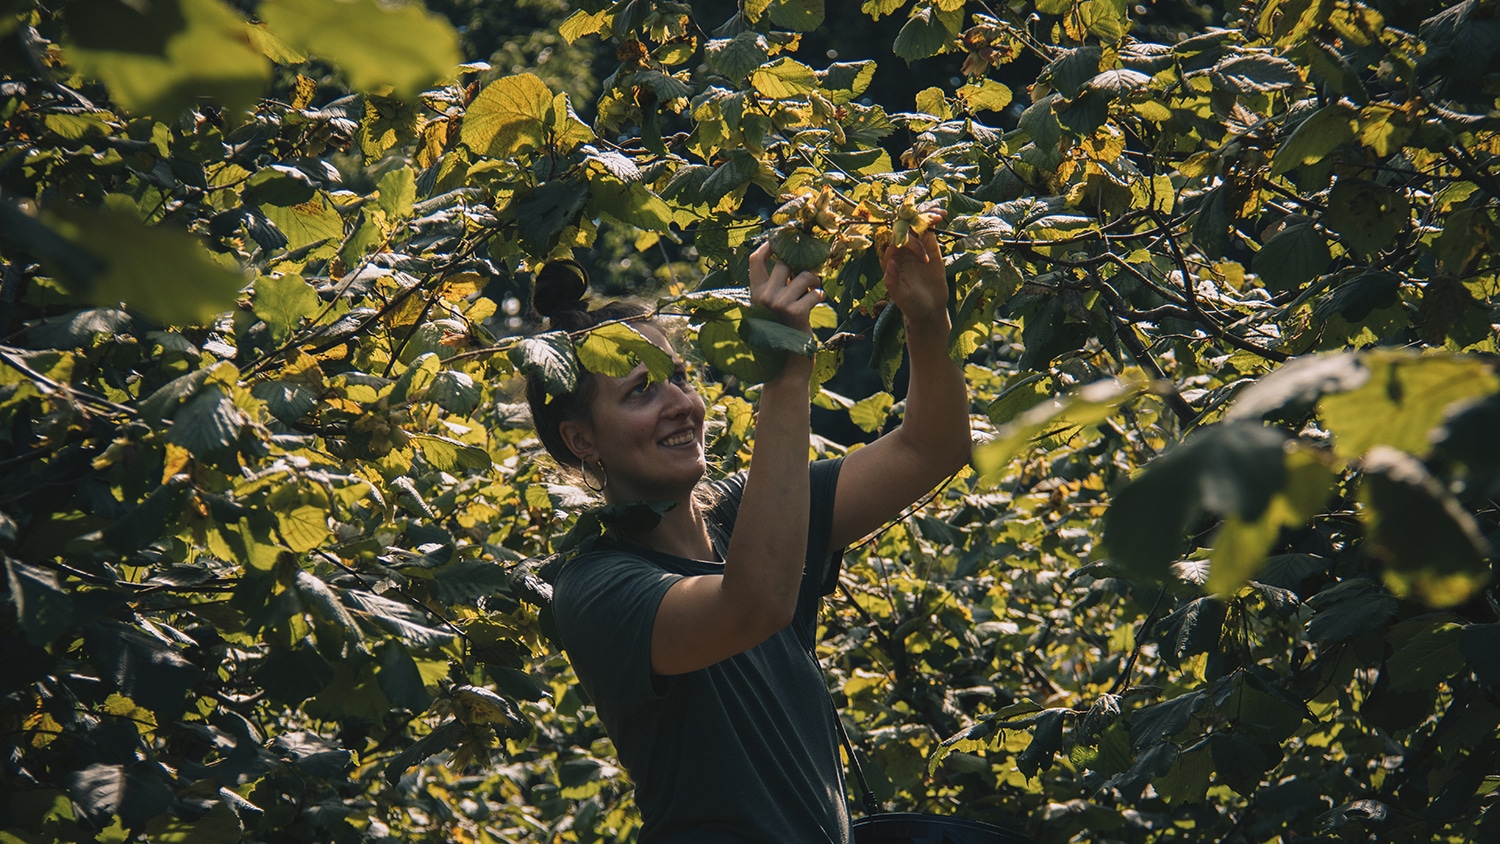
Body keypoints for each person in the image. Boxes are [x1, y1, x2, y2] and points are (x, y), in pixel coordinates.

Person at [524, 227, 971, 843]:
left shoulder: (744, 513)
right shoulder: (596, 588)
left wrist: (927, 321)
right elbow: (754, 605)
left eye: (678, 375)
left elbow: (932, 446)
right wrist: (785, 369)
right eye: (640, 392)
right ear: (583, 441)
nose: (680, 402)